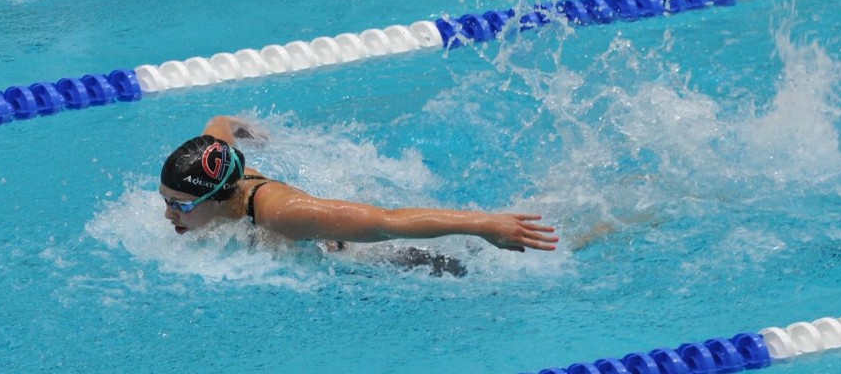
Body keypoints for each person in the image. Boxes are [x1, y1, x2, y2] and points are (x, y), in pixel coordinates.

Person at [159, 116, 559, 275]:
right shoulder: (214, 160)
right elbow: (220, 125)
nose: (167, 215)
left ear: (214, 198)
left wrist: (485, 224)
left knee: (467, 267)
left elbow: (386, 222)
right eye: (165, 200)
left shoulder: (281, 212)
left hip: (365, 253)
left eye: (178, 205)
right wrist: (254, 131)